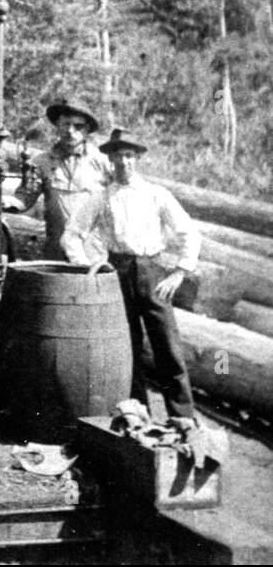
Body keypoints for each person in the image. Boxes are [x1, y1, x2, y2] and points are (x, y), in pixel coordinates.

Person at [61, 129, 200, 425]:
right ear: (110, 160)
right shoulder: (101, 197)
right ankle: (137, 414)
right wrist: (90, 265)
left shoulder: (156, 195)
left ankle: (182, 415)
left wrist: (180, 271)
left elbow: (188, 232)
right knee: (127, 347)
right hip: (116, 272)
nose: (123, 162)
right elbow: (71, 235)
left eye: (128, 156)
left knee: (167, 346)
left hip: (151, 271)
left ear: (137, 159)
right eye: (117, 156)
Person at [6, 99, 113, 259]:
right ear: (57, 125)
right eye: (66, 124)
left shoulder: (102, 162)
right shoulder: (41, 162)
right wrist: (9, 202)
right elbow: (25, 197)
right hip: (57, 249)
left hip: (93, 250)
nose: (70, 131)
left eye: (78, 126)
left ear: (87, 130)